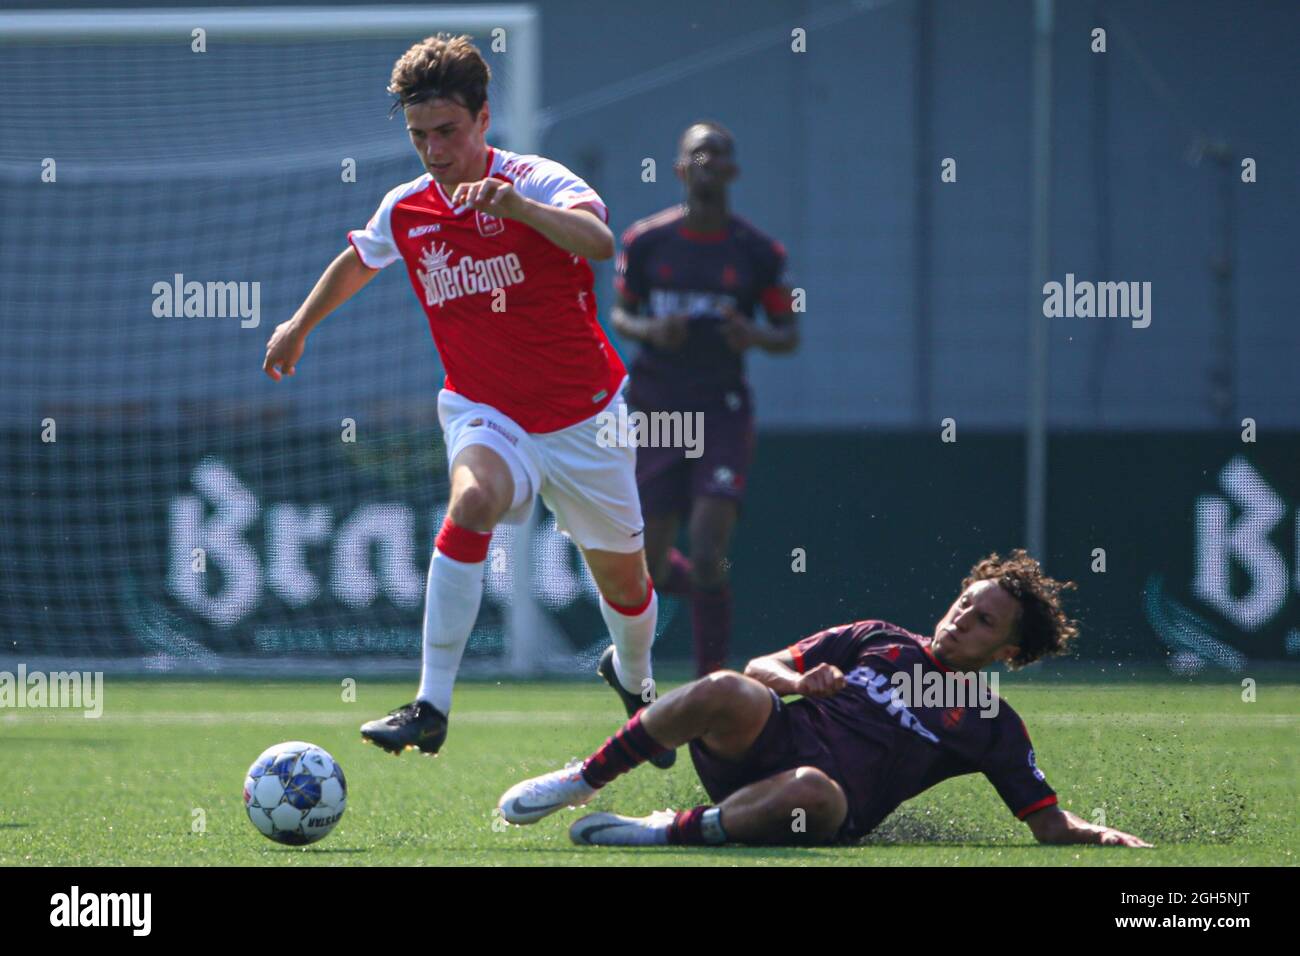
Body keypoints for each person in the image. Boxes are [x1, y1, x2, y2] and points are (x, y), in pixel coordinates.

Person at [262, 34, 671, 766]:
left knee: (625, 583)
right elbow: (360, 258)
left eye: (447, 132)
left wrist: (519, 209)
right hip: (487, 409)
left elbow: (601, 241)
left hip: (586, 418)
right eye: (419, 136)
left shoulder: (536, 180)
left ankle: (634, 683)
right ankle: (431, 704)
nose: (434, 150)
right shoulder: (409, 207)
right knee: (473, 502)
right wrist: (298, 325)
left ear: (484, 119)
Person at [498, 550, 1152, 848]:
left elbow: (1045, 822)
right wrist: (795, 681)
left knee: (813, 789)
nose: (961, 620)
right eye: (964, 604)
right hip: (759, 747)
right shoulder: (879, 638)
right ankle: (584, 778)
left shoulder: (991, 722)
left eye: (984, 622)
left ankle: (661, 830)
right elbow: (763, 665)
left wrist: (1106, 837)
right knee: (729, 687)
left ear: (1009, 653)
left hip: (817, 806)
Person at [611, 122, 798, 676]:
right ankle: (701, 600)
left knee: (711, 542)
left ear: (733, 170)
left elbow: (788, 333)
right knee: (647, 562)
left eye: (719, 154)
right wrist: (650, 331)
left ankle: (710, 683)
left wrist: (753, 334)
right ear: (679, 168)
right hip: (657, 407)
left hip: (720, 408)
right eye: (698, 154)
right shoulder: (645, 241)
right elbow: (621, 314)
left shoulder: (758, 252)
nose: (709, 162)